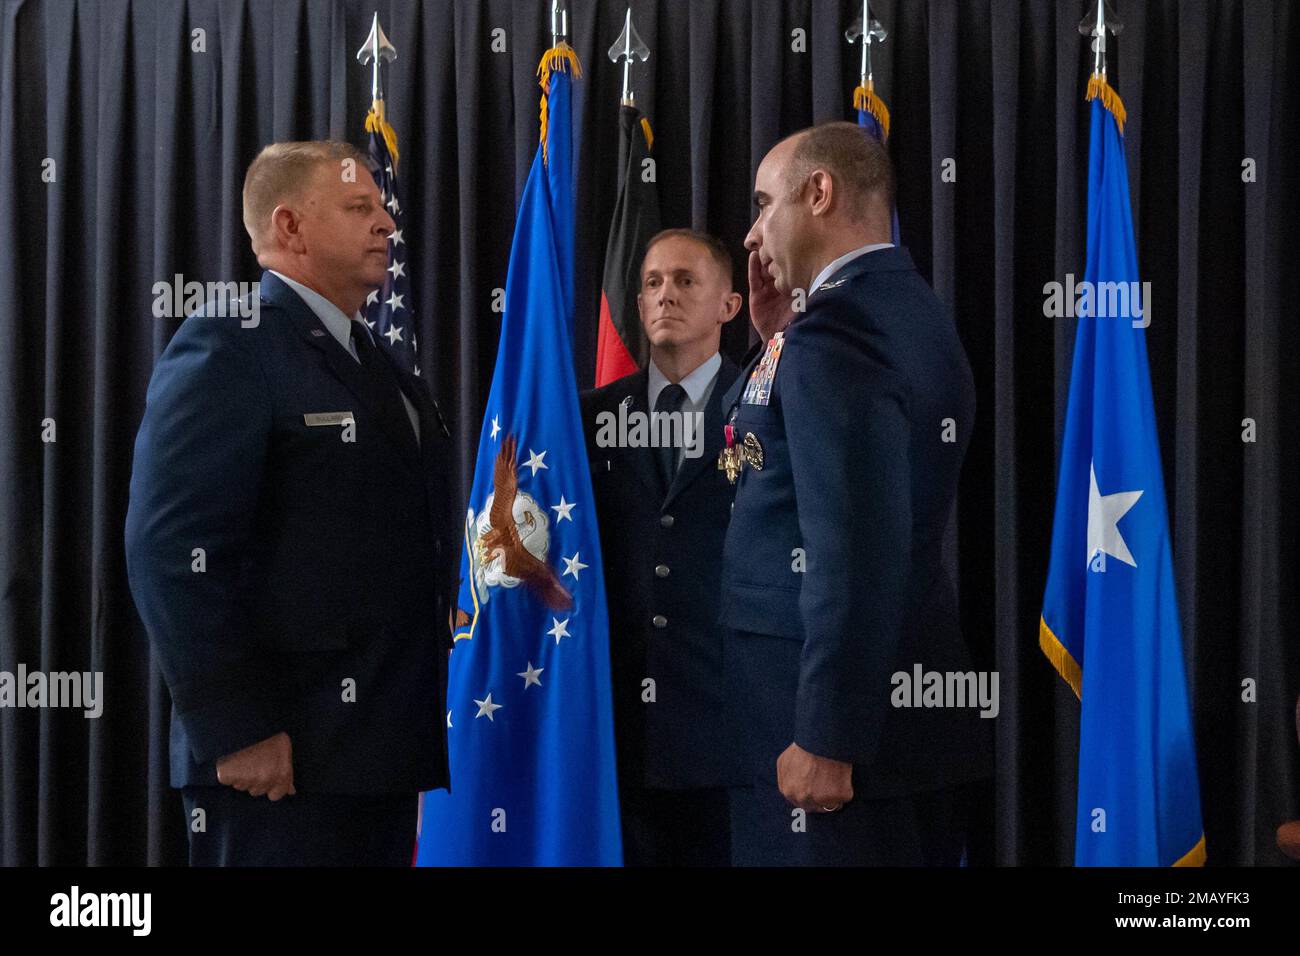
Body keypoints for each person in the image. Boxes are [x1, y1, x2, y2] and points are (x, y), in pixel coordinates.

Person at [124, 140, 456, 866]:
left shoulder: (381, 362)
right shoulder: (228, 343)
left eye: (382, 208)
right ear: (290, 227)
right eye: (359, 207)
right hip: (278, 761)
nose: (387, 225)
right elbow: (170, 546)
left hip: (376, 754)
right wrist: (235, 726)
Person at [720, 122, 992, 865]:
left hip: (834, 749)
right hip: (897, 729)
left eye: (765, 203)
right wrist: (776, 339)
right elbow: (763, 460)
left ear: (820, 192)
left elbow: (853, 548)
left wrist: (826, 737)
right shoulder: (900, 311)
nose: (752, 232)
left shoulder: (837, 334)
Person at [581, 229, 743, 865]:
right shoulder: (589, 419)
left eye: (684, 281)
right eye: (652, 282)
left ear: (729, 306)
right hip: (613, 735)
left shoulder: (765, 407)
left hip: (730, 734)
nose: (664, 296)